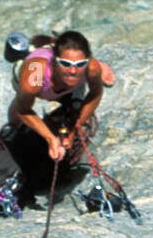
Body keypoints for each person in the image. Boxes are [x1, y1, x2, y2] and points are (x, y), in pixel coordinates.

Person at [7, 29, 114, 164]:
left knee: (76, 108)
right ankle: (36, 49)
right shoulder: (35, 76)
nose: (73, 71)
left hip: (63, 80)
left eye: (80, 64)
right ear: (54, 61)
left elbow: (96, 94)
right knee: (17, 122)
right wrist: (50, 138)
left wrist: (74, 128)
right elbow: (23, 110)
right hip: (38, 80)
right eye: (65, 63)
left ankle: (72, 59)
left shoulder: (91, 68)